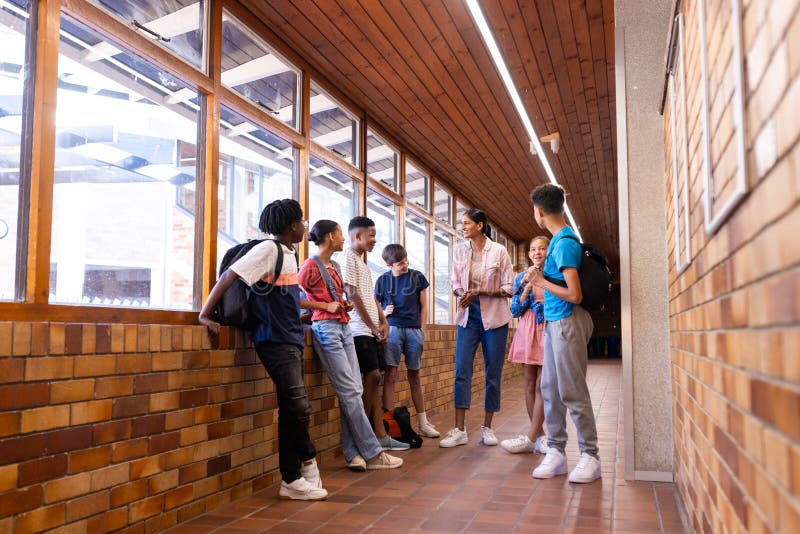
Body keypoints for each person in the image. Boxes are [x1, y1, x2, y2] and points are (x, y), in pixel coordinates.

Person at [198, 199, 327, 501]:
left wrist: (299, 316)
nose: (305, 226)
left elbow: (280, 299)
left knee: (291, 410)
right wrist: (205, 314)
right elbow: (229, 276)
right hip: (274, 341)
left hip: (291, 336)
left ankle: (291, 480)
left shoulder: (289, 253)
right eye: (302, 221)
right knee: (300, 407)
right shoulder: (268, 250)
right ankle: (307, 463)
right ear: (292, 225)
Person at [298, 219, 404, 471]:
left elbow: (343, 296)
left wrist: (342, 305)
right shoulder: (310, 265)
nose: (343, 237)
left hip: (344, 327)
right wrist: (324, 306)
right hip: (327, 329)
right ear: (330, 237)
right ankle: (372, 452)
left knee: (354, 391)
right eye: (339, 233)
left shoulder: (334, 266)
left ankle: (352, 452)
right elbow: (295, 298)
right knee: (350, 392)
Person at [527, 184, 601, 483]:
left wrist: (541, 281)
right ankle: (556, 452)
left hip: (569, 321)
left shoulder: (566, 242)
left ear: (540, 212)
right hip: (554, 323)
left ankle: (590, 455)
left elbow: (574, 294)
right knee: (550, 389)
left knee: (572, 390)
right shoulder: (557, 242)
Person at [439, 208, 514, 448]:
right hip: (467, 317)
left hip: (494, 318)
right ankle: (459, 430)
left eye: (466, 223)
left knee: (493, 372)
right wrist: (462, 294)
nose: (462, 227)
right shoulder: (460, 251)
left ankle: (488, 428)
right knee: (462, 370)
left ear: (480, 225)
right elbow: (453, 282)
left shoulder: (499, 251)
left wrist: (480, 292)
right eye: (462, 224)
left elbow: (509, 287)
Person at [342, 217, 409, 451]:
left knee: (378, 378)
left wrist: (384, 322)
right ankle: (363, 433)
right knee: (371, 377)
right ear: (357, 236)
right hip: (358, 330)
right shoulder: (348, 258)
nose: (374, 240)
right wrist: (372, 325)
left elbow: (370, 298)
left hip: (372, 330)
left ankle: (378, 434)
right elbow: (352, 295)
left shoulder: (363, 264)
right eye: (370, 235)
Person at [374, 244, 440, 438]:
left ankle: (423, 423)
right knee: (391, 375)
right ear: (389, 265)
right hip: (392, 329)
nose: (405, 265)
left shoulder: (417, 277)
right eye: (400, 263)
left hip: (413, 330)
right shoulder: (382, 281)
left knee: (415, 376)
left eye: (406, 261)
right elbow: (375, 306)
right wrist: (384, 315)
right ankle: (389, 427)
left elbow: (424, 305)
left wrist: (422, 330)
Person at [500, 236, 550, 455]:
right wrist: (528, 288)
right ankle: (539, 436)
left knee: (542, 385)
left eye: (541, 248)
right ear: (529, 254)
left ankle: (533, 436)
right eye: (533, 249)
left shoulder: (555, 275)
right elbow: (515, 310)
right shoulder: (521, 276)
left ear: (549, 251)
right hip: (527, 328)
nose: (537, 252)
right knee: (529, 384)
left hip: (548, 328)